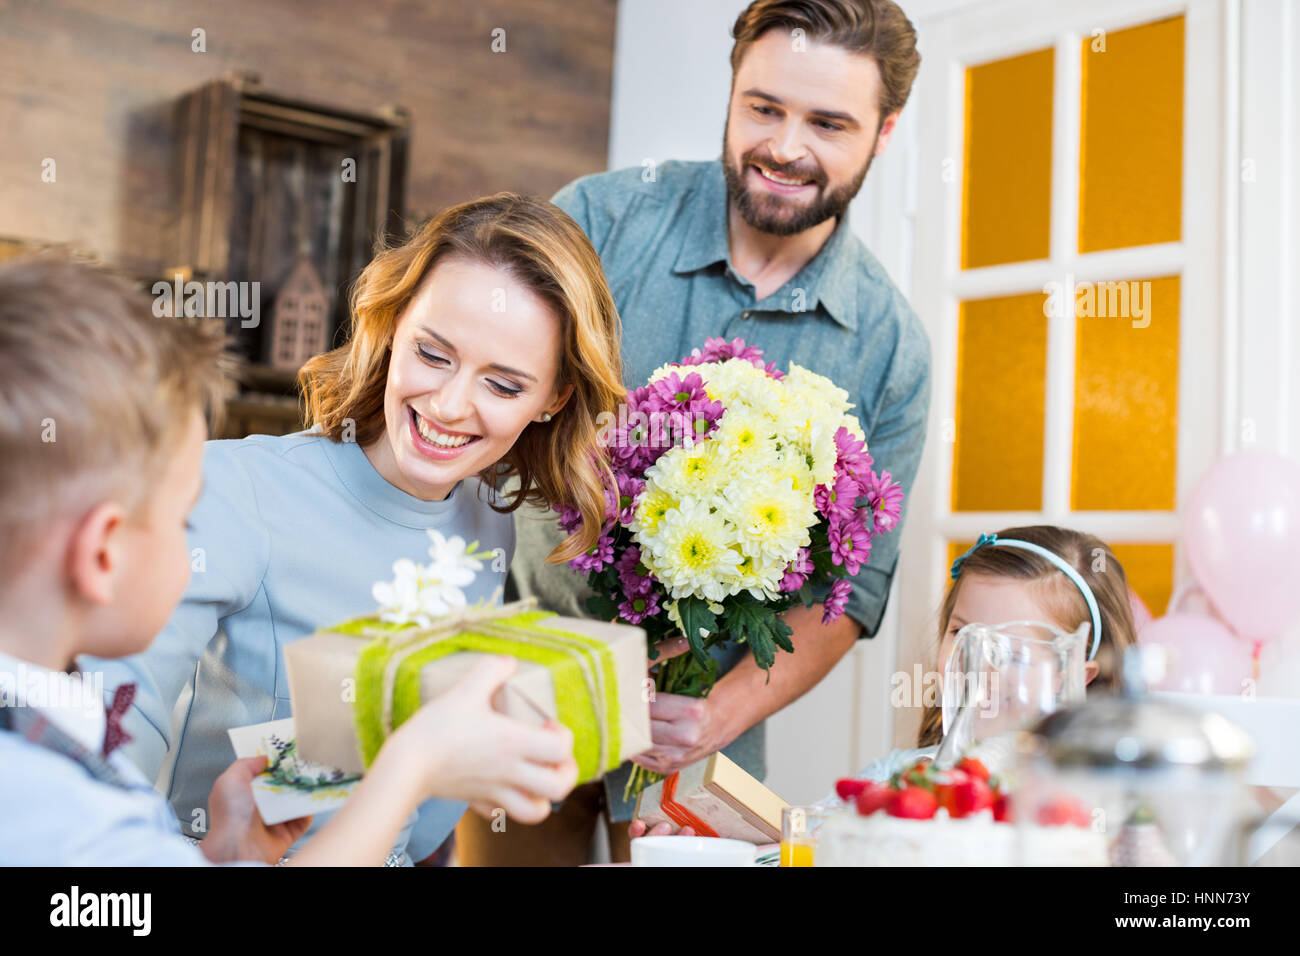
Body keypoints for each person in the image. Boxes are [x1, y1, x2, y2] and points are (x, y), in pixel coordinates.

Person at [469, 0, 931, 865]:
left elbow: (850, 598)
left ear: (885, 130)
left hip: (701, 732)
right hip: (527, 678)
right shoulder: (599, 225)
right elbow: (483, 407)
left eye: (828, 122)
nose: (786, 146)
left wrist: (707, 717)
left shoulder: (891, 348)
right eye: (764, 107)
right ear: (732, 92)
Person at [85, 192, 627, 864]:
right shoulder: (235, 489)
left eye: (504, 385)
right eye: (433, 354)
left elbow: (410, 808)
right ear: (393, 325)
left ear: (554, 400)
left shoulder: (487, 521)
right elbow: (102, 750)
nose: (450, 406)